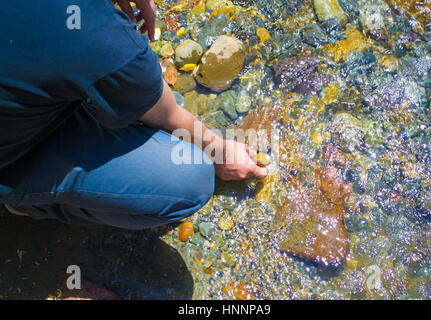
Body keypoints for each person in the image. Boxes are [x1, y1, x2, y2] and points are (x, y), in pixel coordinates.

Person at [0, 0, 267, 229]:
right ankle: (30, 199)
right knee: (191, 180)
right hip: (14, 156)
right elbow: (169, 115)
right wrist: (219, 151)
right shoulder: (96, 34)